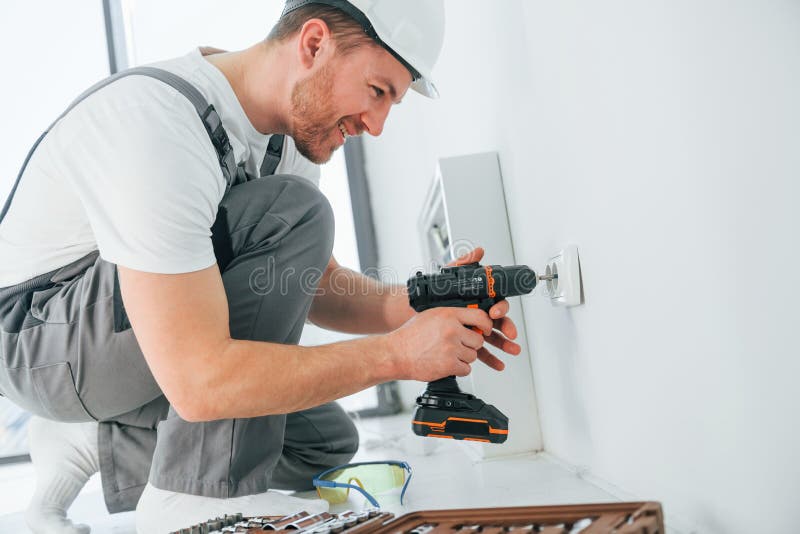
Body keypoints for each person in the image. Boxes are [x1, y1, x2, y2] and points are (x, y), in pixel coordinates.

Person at [0, 1, 521, 533]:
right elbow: (202, 381)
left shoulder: (286, 137)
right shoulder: (161, 124)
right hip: (37, 339)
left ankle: (95, 439)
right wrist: (396, 356)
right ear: (314, 43)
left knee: (322, 444)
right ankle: (187, 495)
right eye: (377, 91)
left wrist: (417, 303)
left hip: (112, 342)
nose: (378, 124)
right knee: (295, 215)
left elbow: (312, 284)